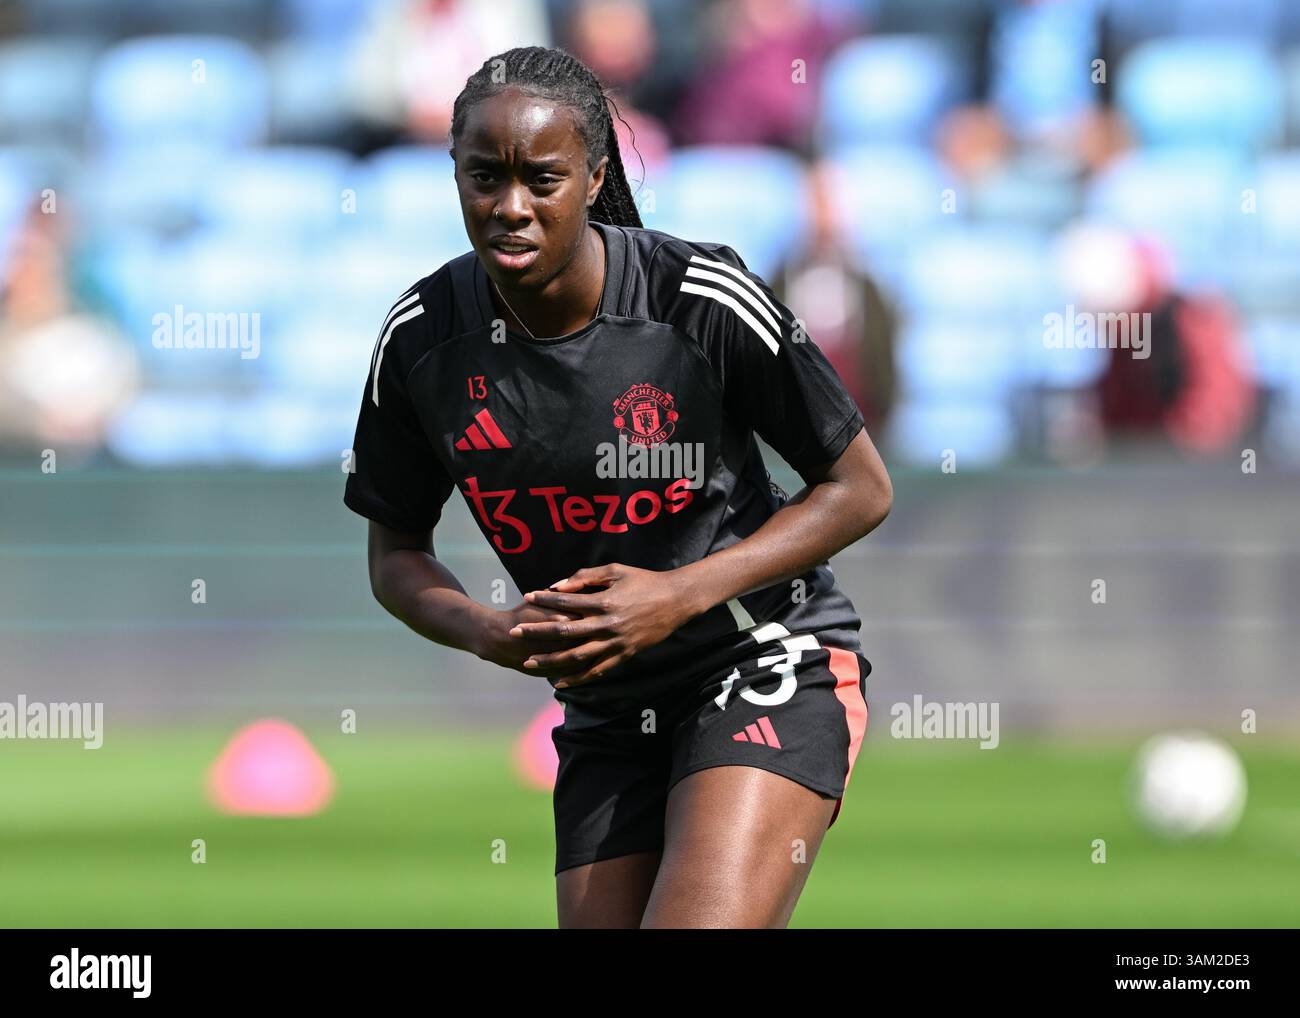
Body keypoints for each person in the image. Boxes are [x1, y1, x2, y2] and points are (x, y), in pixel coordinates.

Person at [343, 46, 892, 929]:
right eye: (484, 177)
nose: (510, 206)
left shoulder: (697, 298)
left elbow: (859, 488)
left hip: (760, 657)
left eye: (543, 179)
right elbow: (395, 553)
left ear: (595, 176)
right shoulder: (421, 342)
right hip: (606, 708)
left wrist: (678, 595)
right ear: (453, 173)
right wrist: (486, 630)